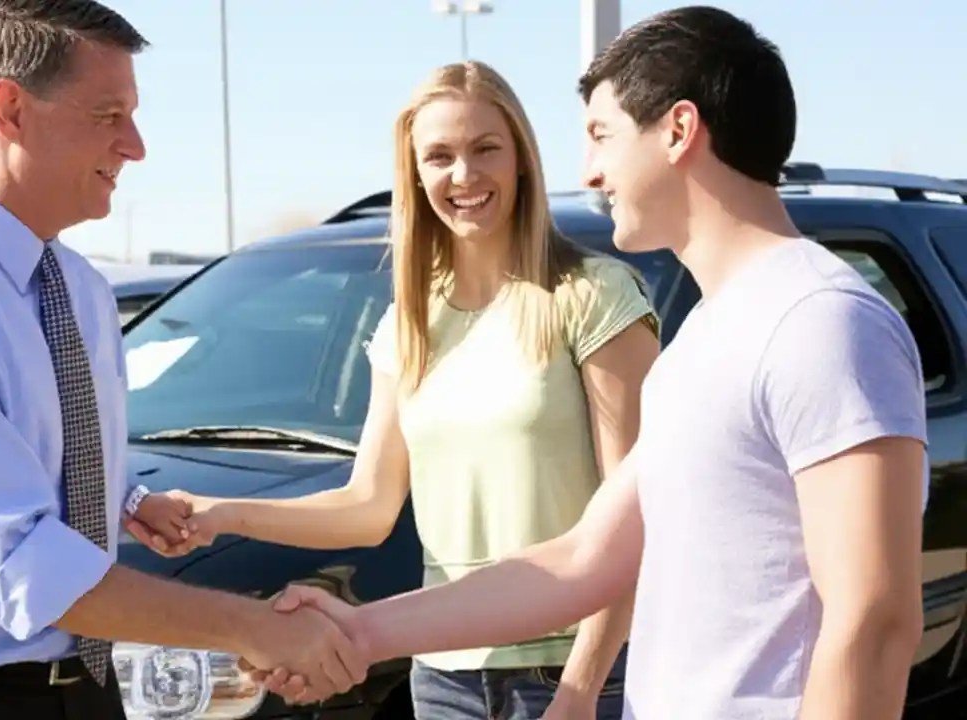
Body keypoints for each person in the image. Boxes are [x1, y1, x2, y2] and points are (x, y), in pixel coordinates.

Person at [246, 6, 929, 720]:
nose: (589, 171)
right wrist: (358, 629)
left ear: (678, 131)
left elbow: (874, 621)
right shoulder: (704, 339)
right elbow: (579, 562)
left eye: (602, 135)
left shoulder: (822, 322)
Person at [0, 2, 363, 719]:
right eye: (108, 115)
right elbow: (25, 566)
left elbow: (37, 457)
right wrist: (253, 629)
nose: (135, 146)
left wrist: (126, 500)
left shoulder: (81, 289)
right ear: (10, 109)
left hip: (84, 693)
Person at [140, 60, 660, 719]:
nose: (464, 175)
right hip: (444, 682)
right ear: (414, 172)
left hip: (573, 674)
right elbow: (368, 505)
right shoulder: (408, 322)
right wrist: (219, 515)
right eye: (439, 156)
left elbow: (637, 521)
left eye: (485, 149)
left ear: (522, 159)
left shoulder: (592, 296)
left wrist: (580, 691)